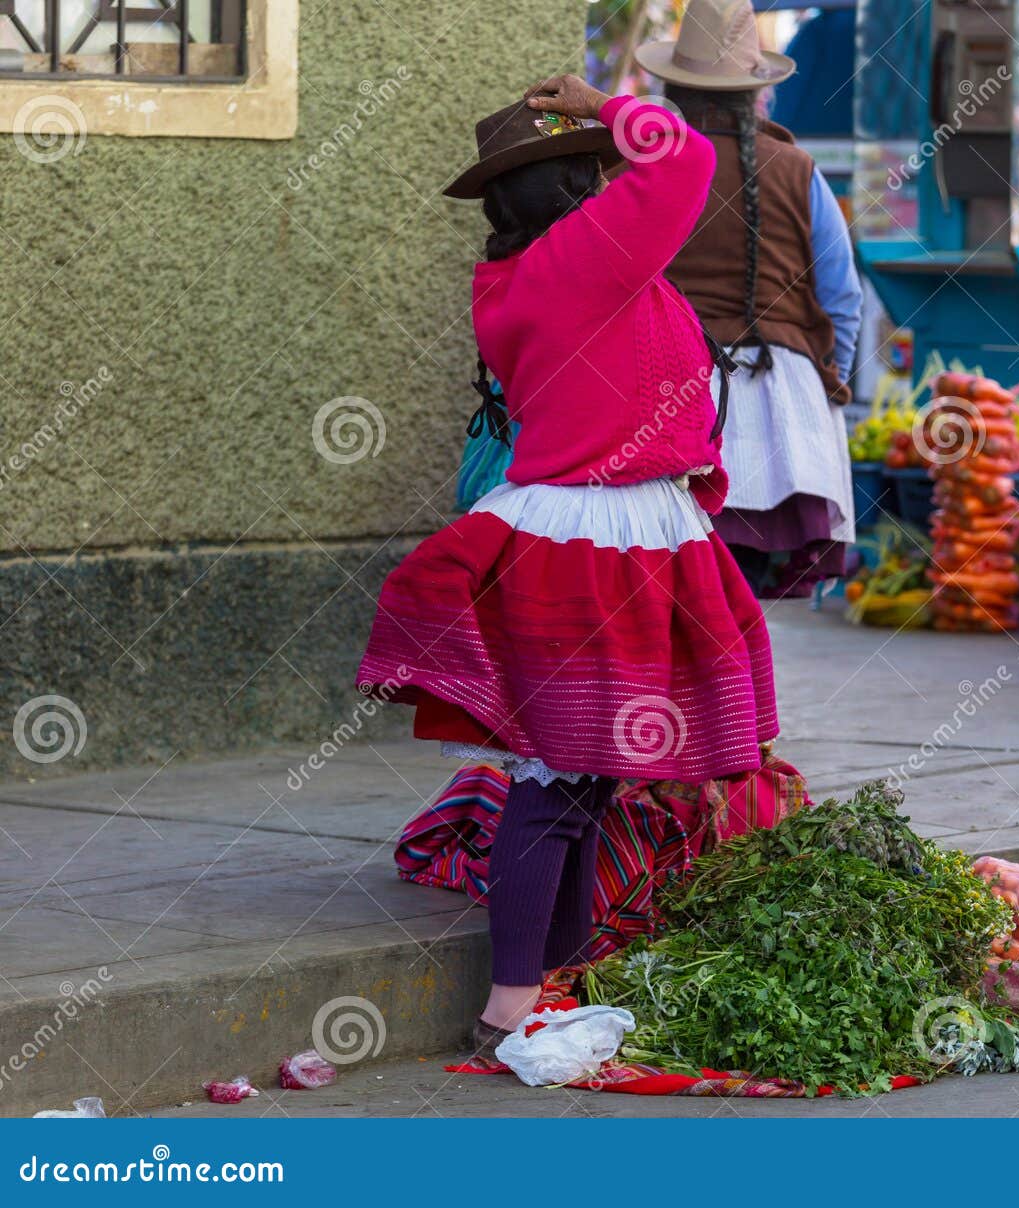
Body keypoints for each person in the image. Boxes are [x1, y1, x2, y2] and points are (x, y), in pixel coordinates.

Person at [355, 74, 777, 1066]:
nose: (601, 178)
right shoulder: (581, 262)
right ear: (547, 192)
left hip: (604, 528)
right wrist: (608, 98)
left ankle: (557, 977)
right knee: (557, 786)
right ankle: (511, 1003)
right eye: (583, 167)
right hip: (596, 544)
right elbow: (685, 159)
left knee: (582, 780)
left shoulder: (517, 280)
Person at [641, 0, 863, 598]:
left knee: (672, 597)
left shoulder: (641, 167)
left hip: (668, 407)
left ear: (674, 92)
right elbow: (841, 296)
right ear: (755, 94)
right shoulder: (797, 168)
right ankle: (741, 693)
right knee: (742, 607)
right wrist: (826, 381)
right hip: (786, 413)